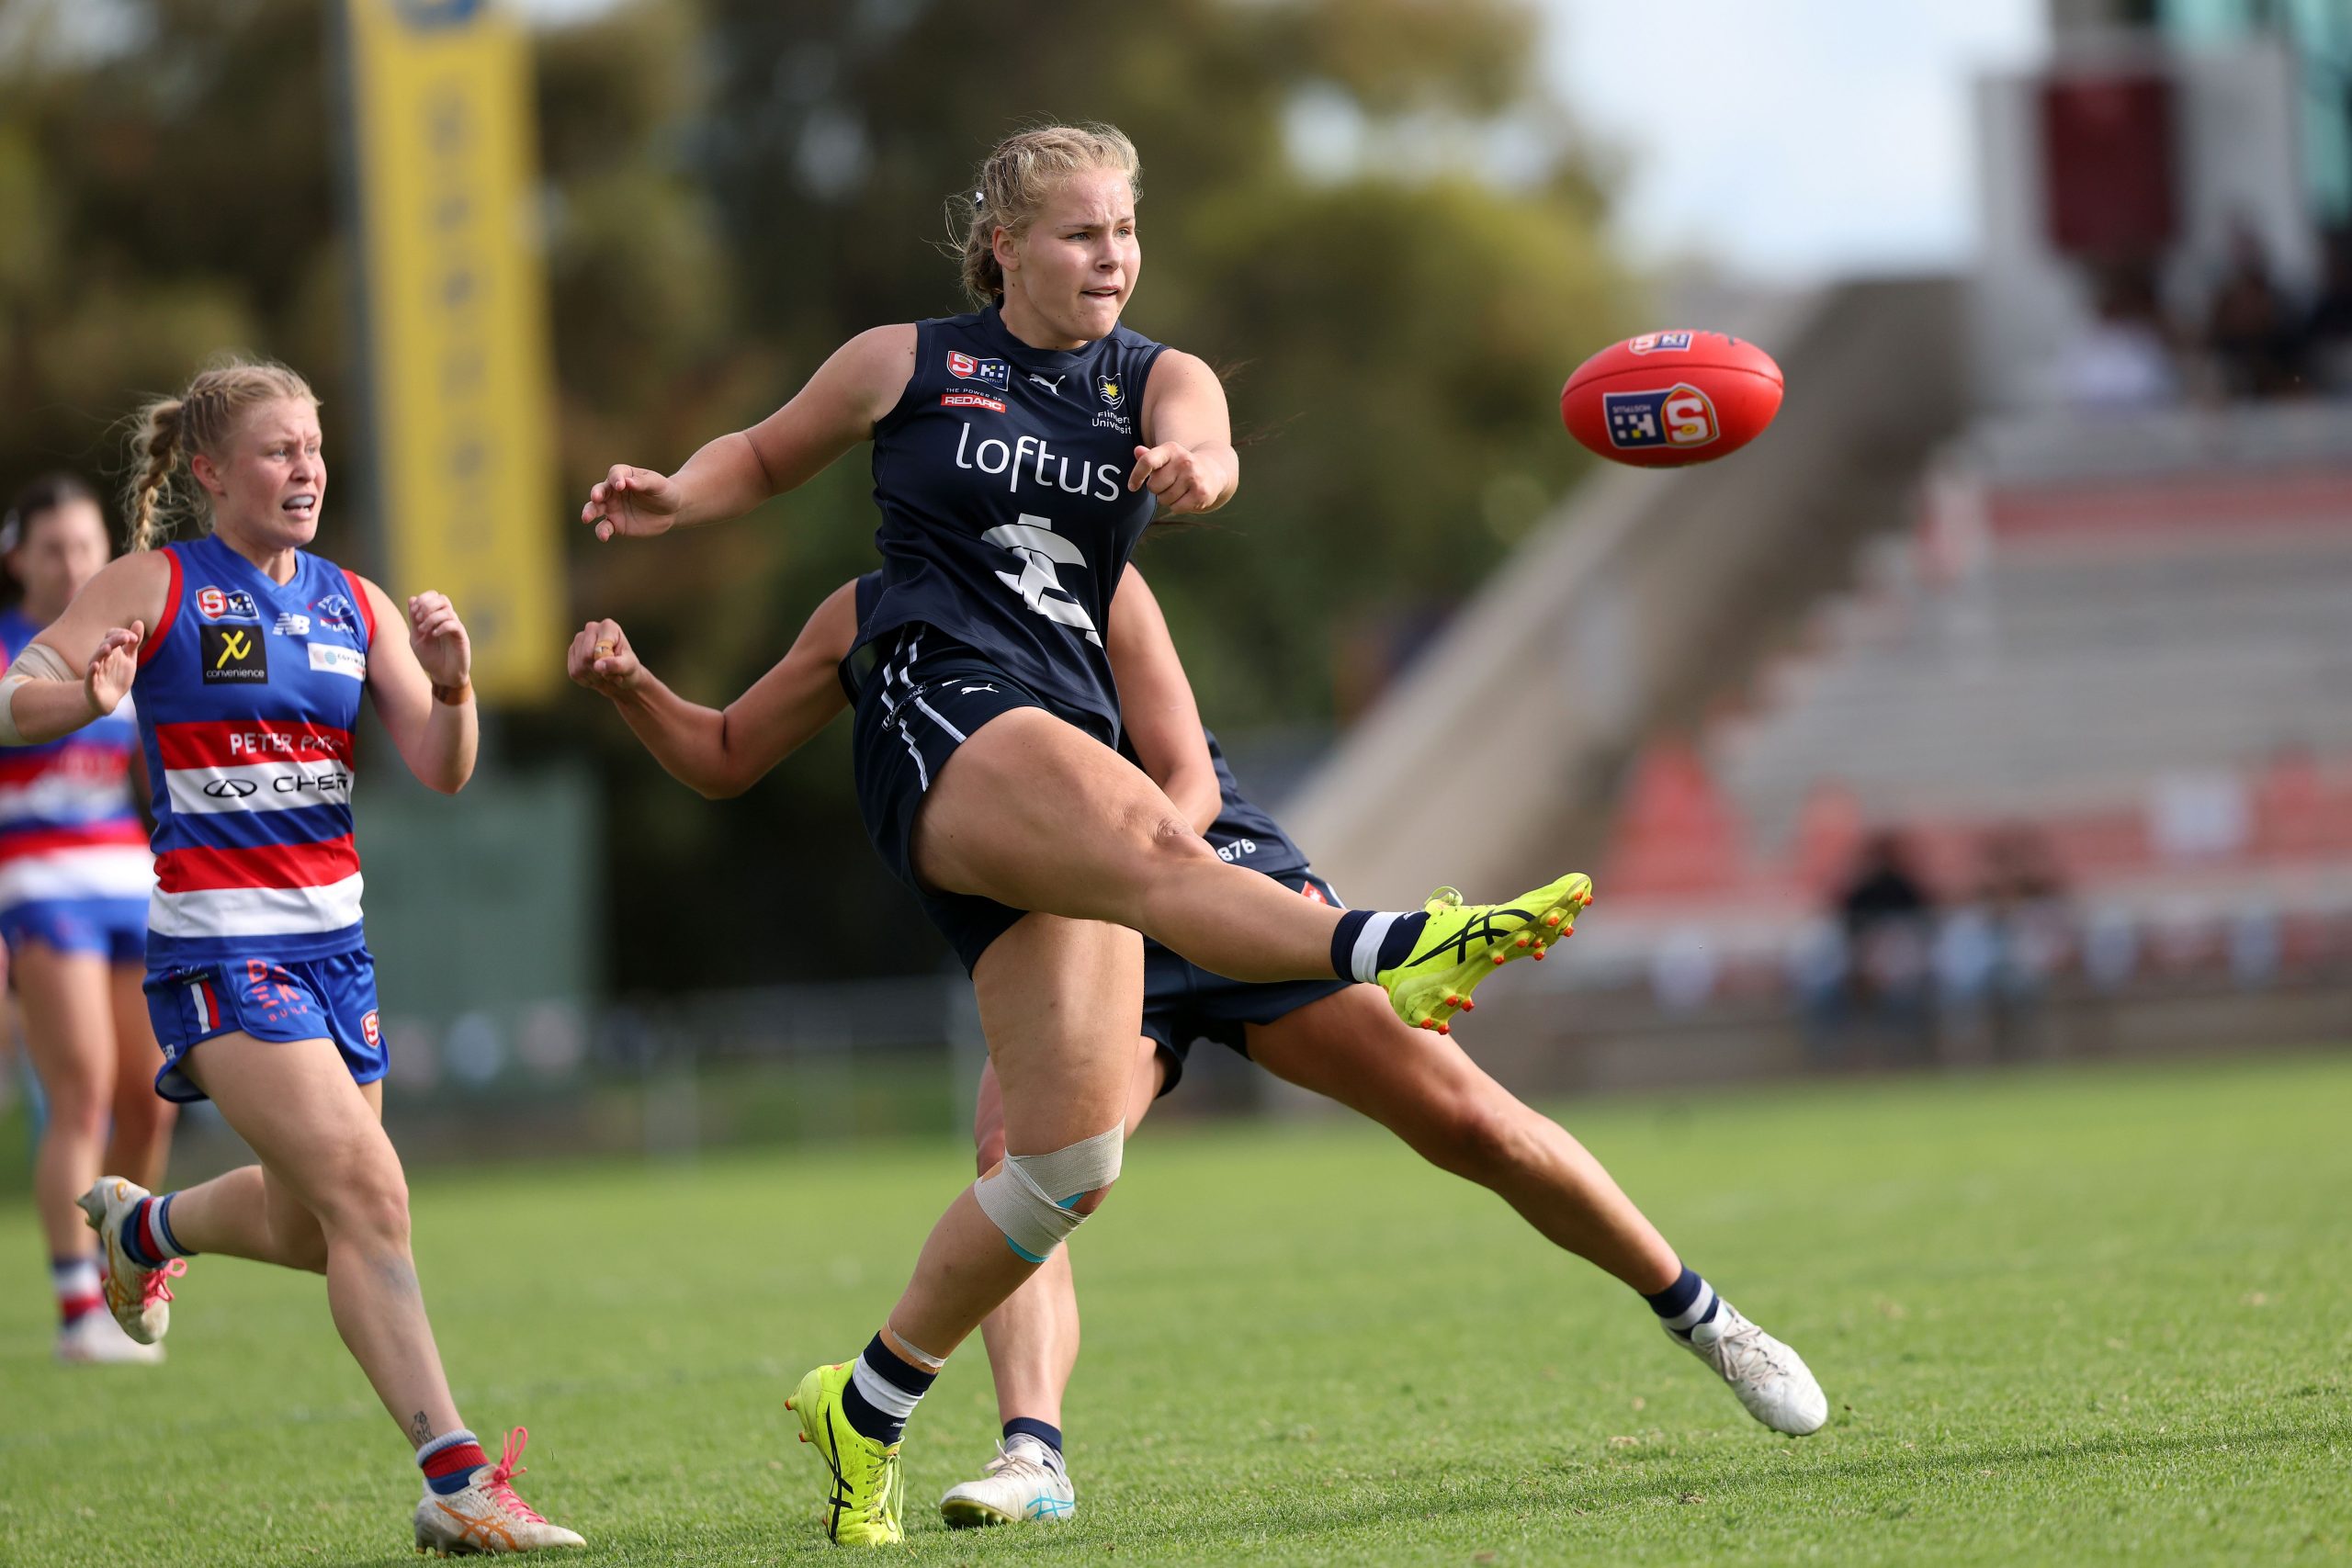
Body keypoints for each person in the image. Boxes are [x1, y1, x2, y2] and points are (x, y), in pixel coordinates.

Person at [579, 123, 1592, 1545]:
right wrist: (677, 501)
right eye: (1078, 233)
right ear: (1002, 243)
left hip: (1056, 744)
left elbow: (1210, 440)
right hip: (946, 704)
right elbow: (757, 467)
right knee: (1156, 851)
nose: (1110, 254)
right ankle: (1391, 945)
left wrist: (1195, 472)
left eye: (1124, 231)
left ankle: (861, 1401)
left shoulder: (1151, 376)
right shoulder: (905, 367)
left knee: (1064, 1165)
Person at [568, 564, 1828, 1530]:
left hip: (1208, 876)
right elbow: (725, 752)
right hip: (1073, 920)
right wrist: (634, 686)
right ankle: (1031, 1453)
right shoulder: (866, 612)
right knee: (1032, 1159)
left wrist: (1138, 877)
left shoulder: (1095, 563)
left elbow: (1186, 772)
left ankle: (1711, 1319)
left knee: (1466, 1116)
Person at [0, 361, 582, 1555]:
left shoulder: (354, 603)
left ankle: (145, 1230)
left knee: (318, 1225)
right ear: (210, 470)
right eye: (278, 450)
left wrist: (459, 686)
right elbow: (18, 694)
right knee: (372, 1193)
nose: (306, 468)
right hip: (217, 949)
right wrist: (87, 695)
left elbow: (443, 762)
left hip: (335, 950)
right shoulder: (156, 582)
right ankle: (459, 1476)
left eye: (314, 448)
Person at [0, 474, 177, 1363]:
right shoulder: (7, 656)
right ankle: (77, 1312)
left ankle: (123, 1275)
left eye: (85, 545)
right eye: (53, 548)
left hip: (128, 883)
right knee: (82, 1092)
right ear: (17, 560)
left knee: (153, 1100)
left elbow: (156, 780)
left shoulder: (130, 643)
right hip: (38, 888)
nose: (72, 563)